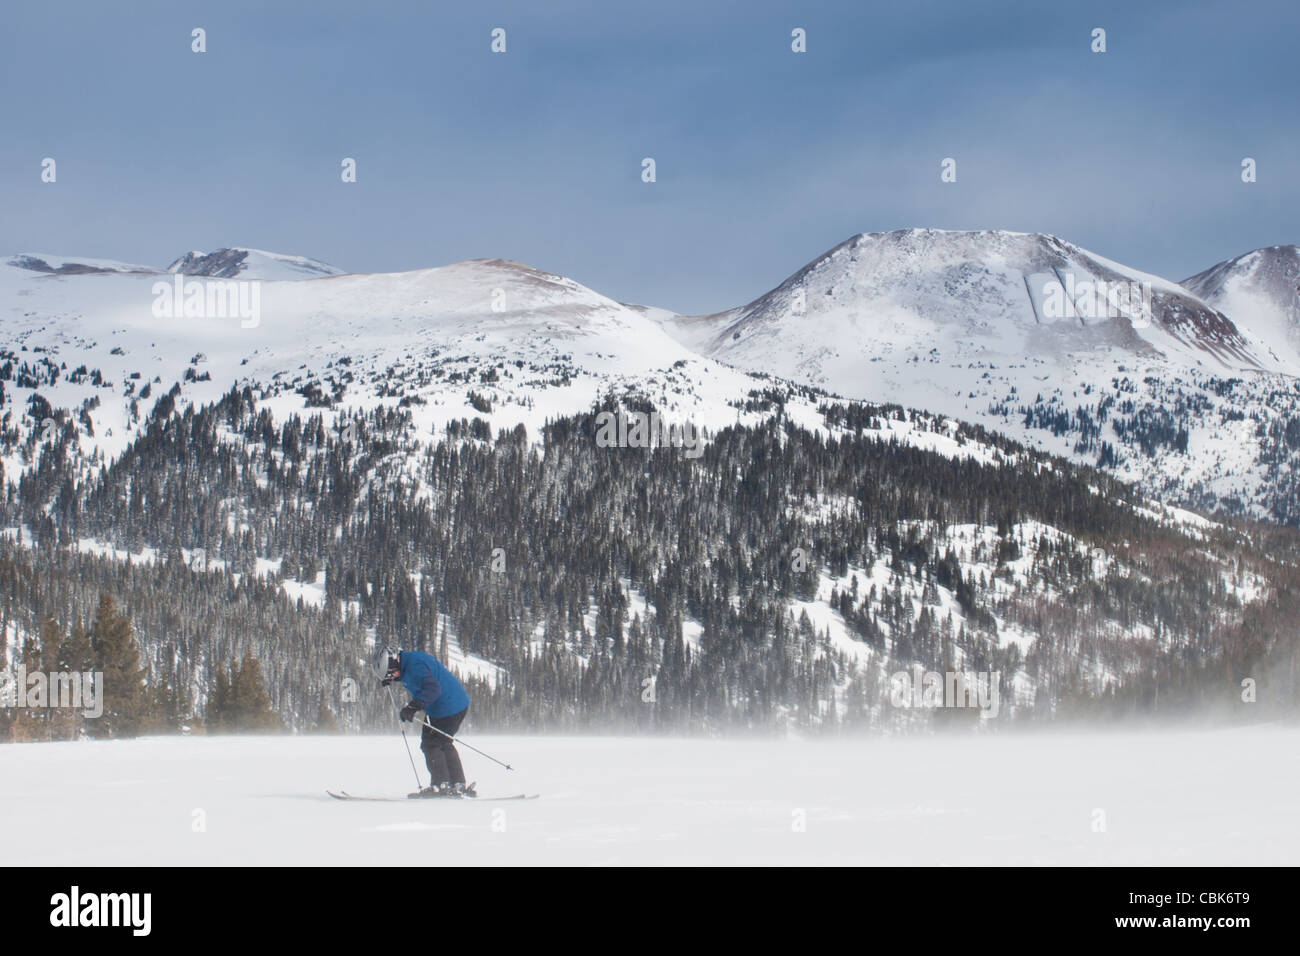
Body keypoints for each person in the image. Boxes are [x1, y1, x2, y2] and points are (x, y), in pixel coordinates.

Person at [381, 648, 472, 798]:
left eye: (391, 673)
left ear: (394, 663)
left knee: (432, 744)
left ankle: (440, 785)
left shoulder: (413, 667)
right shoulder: (408, 661)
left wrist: (413, 707)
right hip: (451, 705)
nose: (393, 677)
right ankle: (457, 784)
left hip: (447, 707)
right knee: (443, 743)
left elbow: (433, 689)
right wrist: (390, 678)